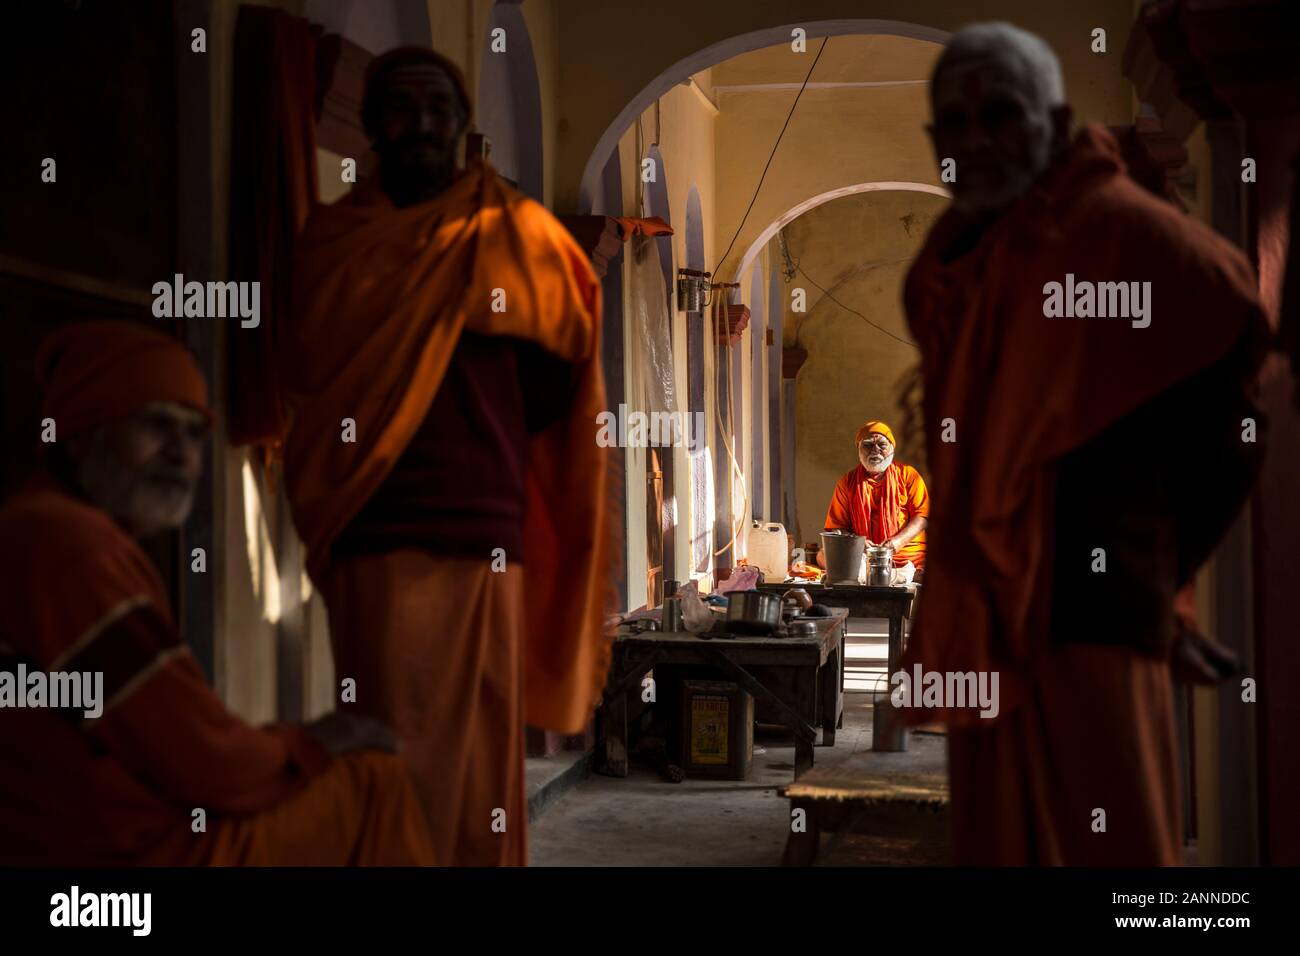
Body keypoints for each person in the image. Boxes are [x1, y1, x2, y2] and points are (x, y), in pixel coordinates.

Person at [901, 22, 1269, 865]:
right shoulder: (949, 257)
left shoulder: (1116, 229)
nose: (977, 142)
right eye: (953, 128)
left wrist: (1154, 564)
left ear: (1051, 119)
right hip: (987, 608)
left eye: (1001, 115)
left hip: (1093, 608)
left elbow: (1236, 394)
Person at [275, 47, 612, 865]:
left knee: (480, 773)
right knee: (391, 761)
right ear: (373, 125)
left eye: (439, 108)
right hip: (373, 527)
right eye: (402, 106)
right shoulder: (337, 243)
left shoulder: (517, 235)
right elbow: (309, 370)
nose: (421, 123)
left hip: (484, 540)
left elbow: (558, 389)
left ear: (465, 129)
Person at [0, 321, 434, 865]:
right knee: (374, 779)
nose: (181, 456)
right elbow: (199, 761)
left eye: (193, 434)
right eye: (156, 426)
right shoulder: (69, 543)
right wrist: (310, 743)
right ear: (83, 433)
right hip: (124, 856)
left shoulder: (39, 528)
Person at [821, 420, 929, 569]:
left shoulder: (908, 475)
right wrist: (857, 542)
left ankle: (907, 573)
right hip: (864, 556)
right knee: (823, 555)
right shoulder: (847, 482)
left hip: (907, 555)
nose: (875, 450)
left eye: (882, 445)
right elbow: (837, 527)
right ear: (858, 449)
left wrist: (896, 542)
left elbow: (922, 516)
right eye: (868, 445)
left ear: (892, 448)